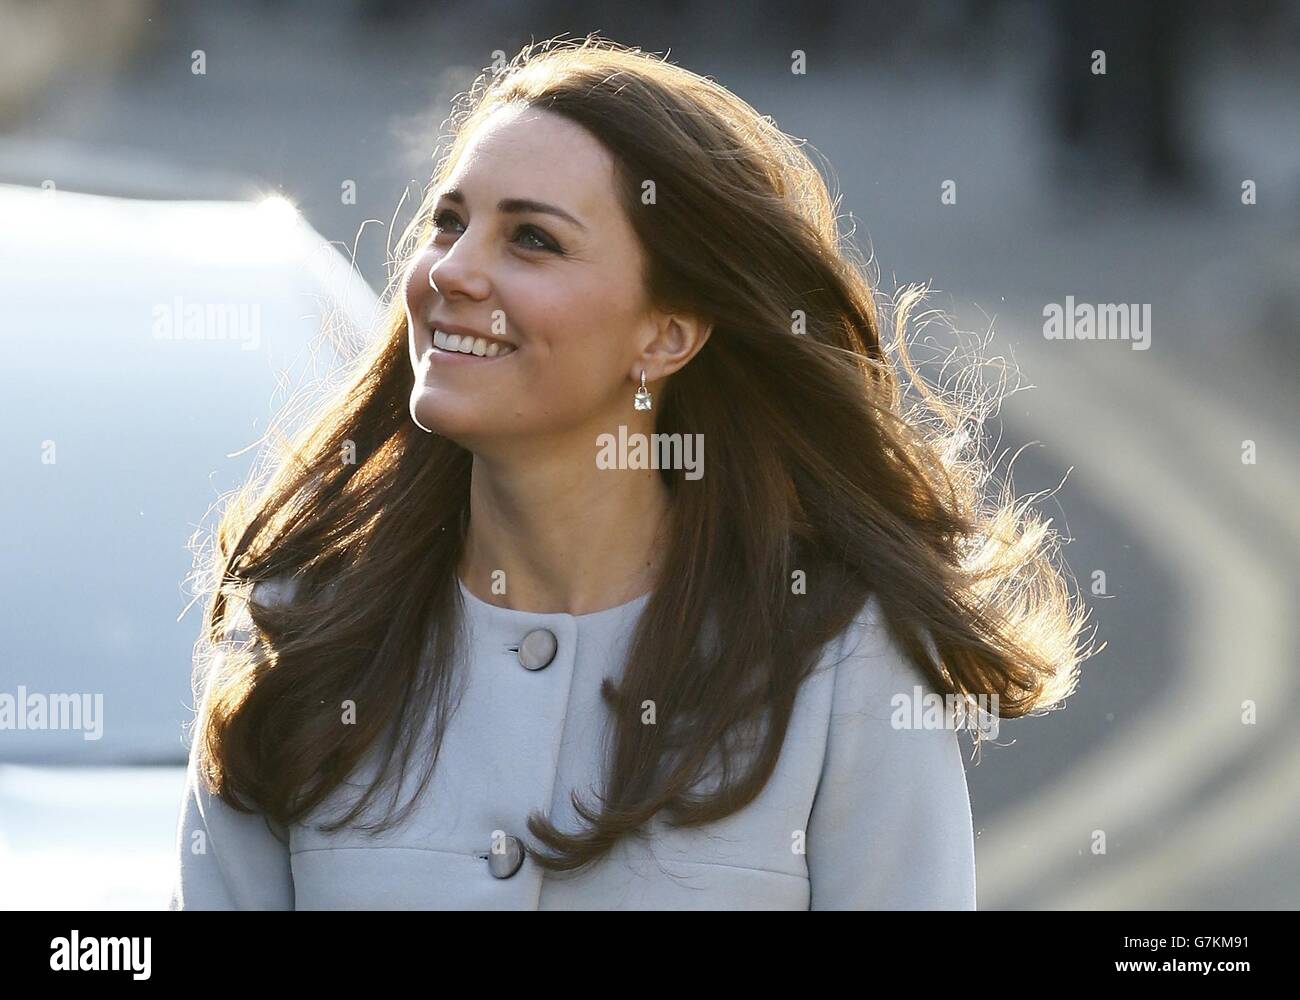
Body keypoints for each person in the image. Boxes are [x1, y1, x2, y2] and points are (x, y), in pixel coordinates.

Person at [168, 35, 1092, 910]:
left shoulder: (842, 658)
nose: (454, 272)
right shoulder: (297, 627)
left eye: (532, 240)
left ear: (668, 333)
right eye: (450, 224)